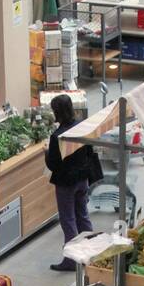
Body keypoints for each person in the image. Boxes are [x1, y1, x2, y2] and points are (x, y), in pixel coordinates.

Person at [44, 95, 101, 271]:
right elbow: (89, 149)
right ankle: (90, 253)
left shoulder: (57, 136)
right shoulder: (82, 126)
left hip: (66, 183)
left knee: (68, 220)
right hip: (82, 178)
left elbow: (53, 164)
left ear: (57, 112)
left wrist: (46, 152)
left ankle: (72, 260)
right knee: (82, 215)